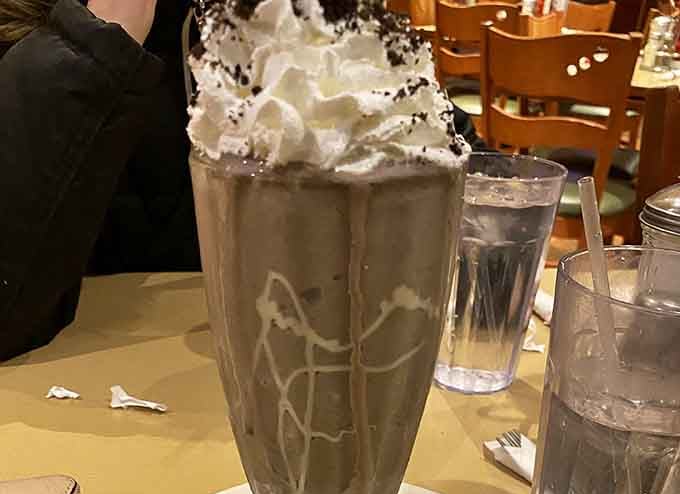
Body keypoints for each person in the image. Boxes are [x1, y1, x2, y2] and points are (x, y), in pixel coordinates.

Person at [0, 0, 486, 362]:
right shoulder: (35, 40)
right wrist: (103, 37)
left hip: (292, 379)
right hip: (74, 409)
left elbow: (458, 163)